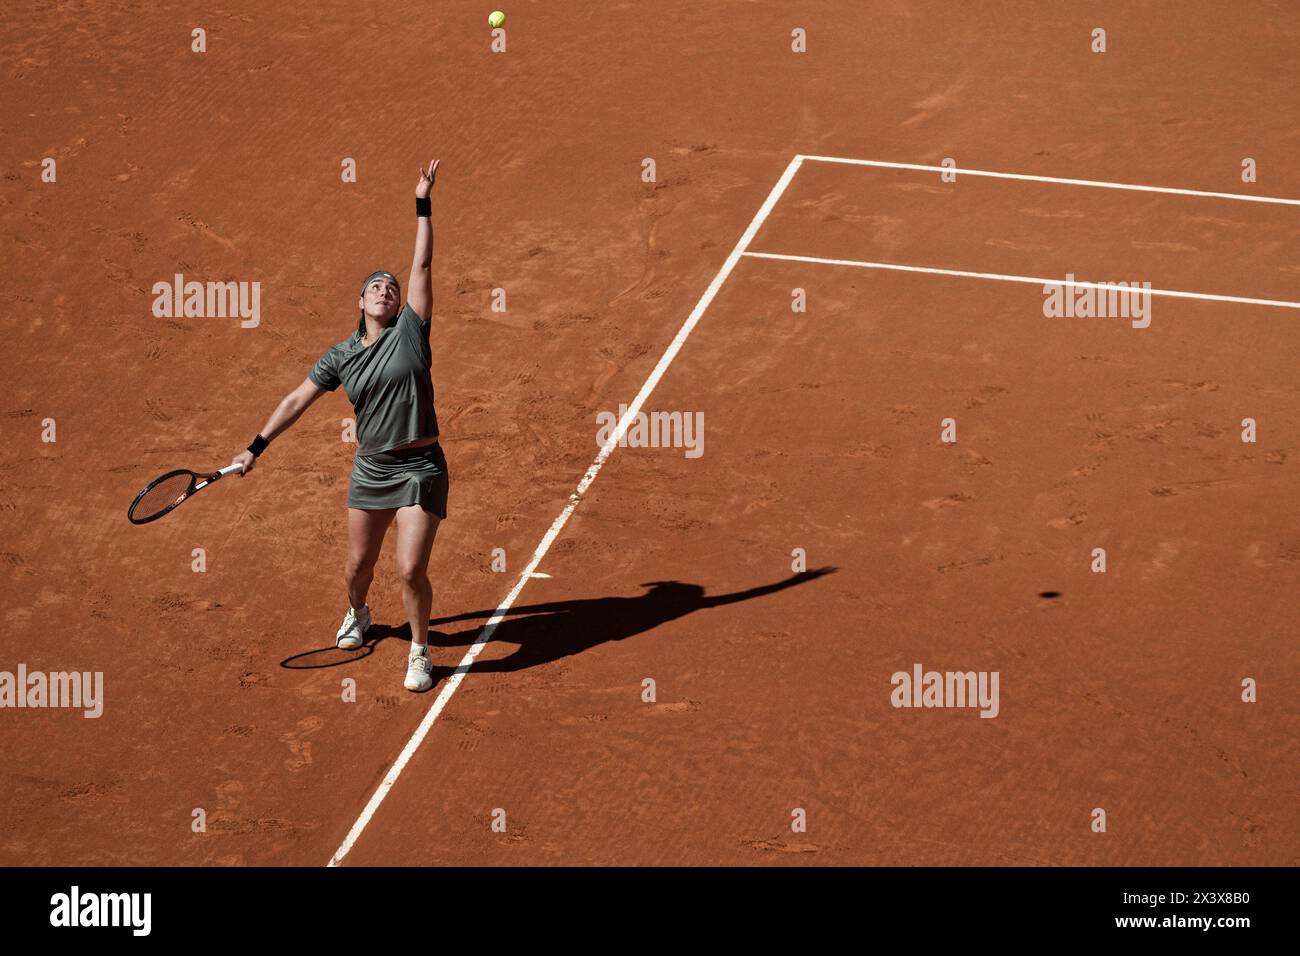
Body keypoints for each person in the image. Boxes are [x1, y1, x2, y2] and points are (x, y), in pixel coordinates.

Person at [230, 160, 448, 692]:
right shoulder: (342, 356)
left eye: (391, 288)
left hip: (420, 467)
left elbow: (420, 265)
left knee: (410, 568)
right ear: (360, 302)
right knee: (358, 566)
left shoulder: (411, 334)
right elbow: (297, 399)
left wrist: (422, 202)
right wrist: (255, 447)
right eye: (375, 286)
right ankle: (359, 611)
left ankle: (420, 651)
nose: (385, 289)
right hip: (371, 469)